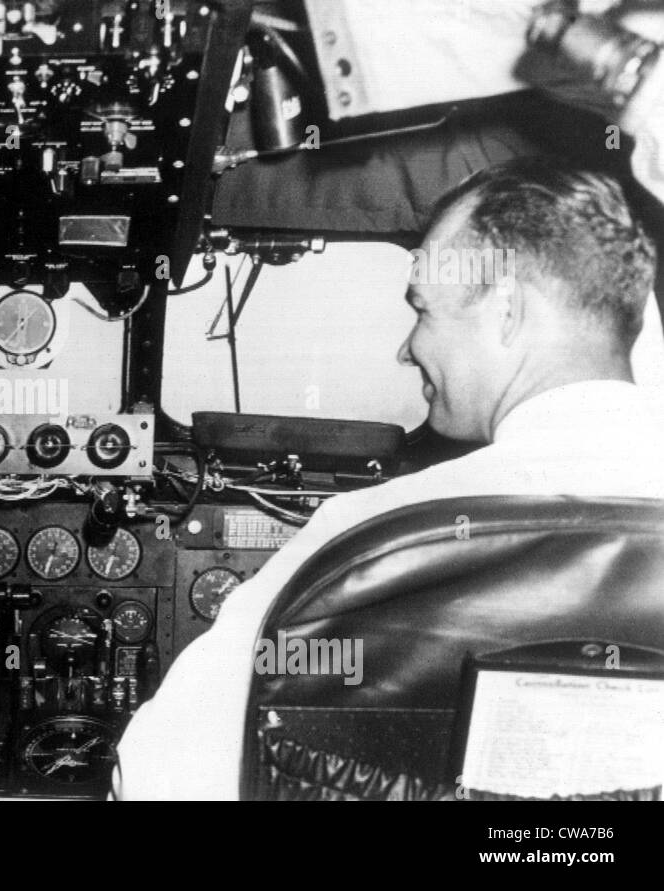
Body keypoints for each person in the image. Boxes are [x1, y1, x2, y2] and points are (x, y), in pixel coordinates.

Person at [114, 158, 664, 799]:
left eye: (423, 311)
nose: (407, 349)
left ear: (508, 311)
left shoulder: (366, 535)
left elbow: (158, 774)